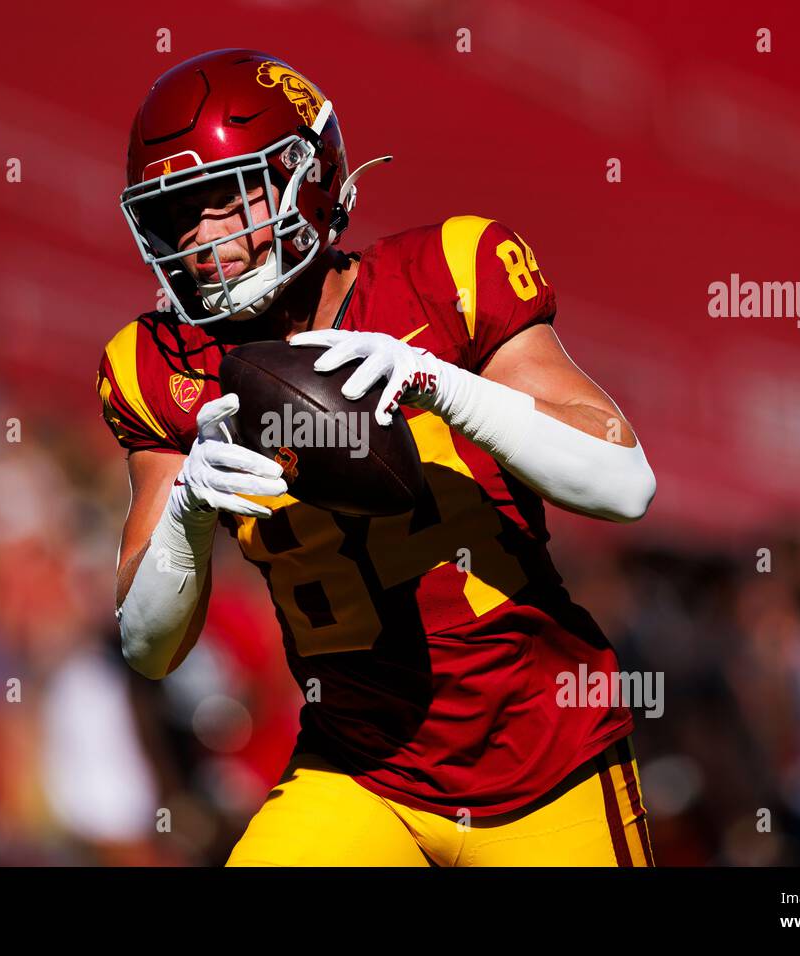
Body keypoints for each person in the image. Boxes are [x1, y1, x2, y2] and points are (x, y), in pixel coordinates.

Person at [99, 49, 657, 866]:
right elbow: (148, 648)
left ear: (305, 177)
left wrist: (442, 385)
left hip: (543, 763)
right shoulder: (160, 366)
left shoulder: (444, 276)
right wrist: (188, 506)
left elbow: (625, 483)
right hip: (359, 771)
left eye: (223, 198)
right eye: (178, 214)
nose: (201, 238)